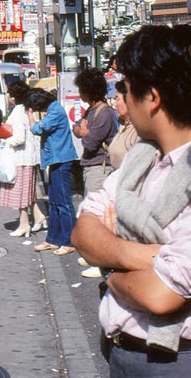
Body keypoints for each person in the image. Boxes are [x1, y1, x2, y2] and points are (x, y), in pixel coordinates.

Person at [71, 25, 191, 378]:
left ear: (153, 97)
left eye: (124, 89)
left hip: (176, 359)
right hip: (118, 348)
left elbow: (162, 294)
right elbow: (83, 230)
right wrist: (149, 254)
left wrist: (110, 267)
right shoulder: (141, 158)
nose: (121, 100)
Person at [73, 68, 119, 277]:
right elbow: (76, 127)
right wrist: (82, 131)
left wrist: (84, 132)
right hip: (92, 165)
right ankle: (94, 255)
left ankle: (101, 261)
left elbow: (90, 142)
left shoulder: (104, 112)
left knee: (98, 215)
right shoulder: (92, 110)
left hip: (100, 166)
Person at [26, 88, 79, 255]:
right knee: (55, 202)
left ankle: (70, 241)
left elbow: (38, 128)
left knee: (63, 202)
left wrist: (30, 117)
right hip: (55, 159)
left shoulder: (55, 111)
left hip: (61, 159)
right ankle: (53, 240)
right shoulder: (53, 109)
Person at [0, 81, 46, 236]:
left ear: (13, 97)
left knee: (20, 194)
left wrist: (6, 140)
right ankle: (38, 217)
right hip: (29, 157)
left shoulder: (18, 112)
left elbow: (19, 138)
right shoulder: (26, 110)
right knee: (28, 192)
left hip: (21, 158)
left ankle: (24, 224)